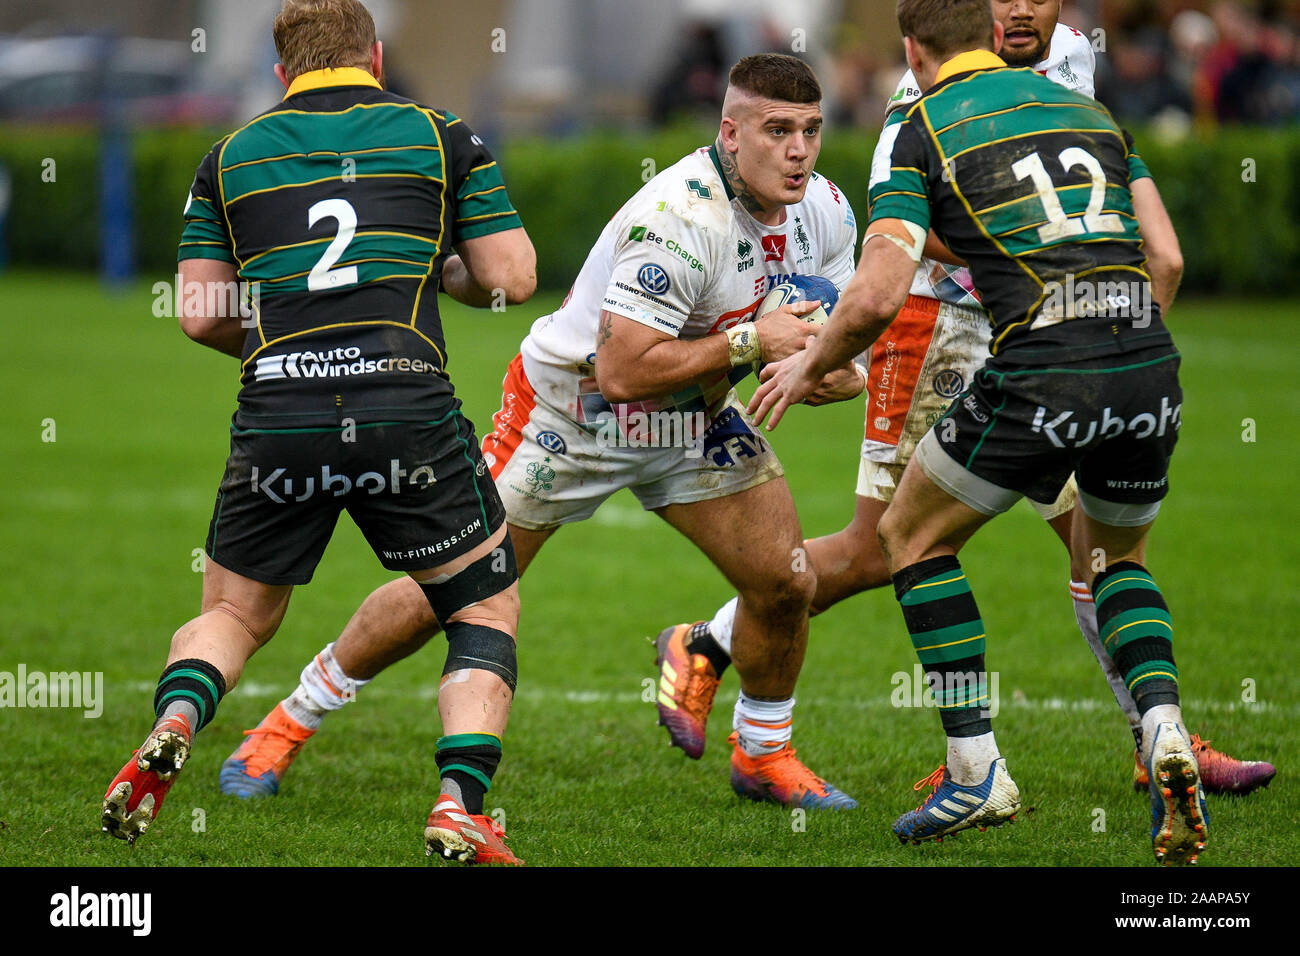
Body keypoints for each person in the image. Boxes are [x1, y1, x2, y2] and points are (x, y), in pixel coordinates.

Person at [652, 0, 1274, 800]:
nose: (1021, 8)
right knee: (886, 546)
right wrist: (1025, 250)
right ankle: (710, 643)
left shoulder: (1075, 60)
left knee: (1097, 549)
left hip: (1051, 339)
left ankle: (1155, 739)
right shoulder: (923, 95)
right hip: (936, 319)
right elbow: (907, 229)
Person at [220, 53, 864, 813]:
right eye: (777, 130)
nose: (798, 150)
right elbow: (625, 372)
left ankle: (764, 753)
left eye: (811, 131)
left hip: (692, 415)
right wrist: (759, 347)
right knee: (449, 594)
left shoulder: (825, 209)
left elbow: (823, 345)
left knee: (786, 582)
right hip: (573, 415)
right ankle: (286, 724)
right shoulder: (681, 216)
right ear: (730, 134)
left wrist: (825, 370)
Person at [100, 0, 536, 866]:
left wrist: (276, 340)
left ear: (281, 73)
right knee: (483, 606)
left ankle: (180, 718)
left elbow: (197, 314)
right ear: (374, 56)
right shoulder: (440, 133)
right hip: (403, 407)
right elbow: (512, 278)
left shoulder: (227, 157)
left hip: (279, 413)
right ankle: (459, 806)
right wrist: (445, 270)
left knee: (232, 614)